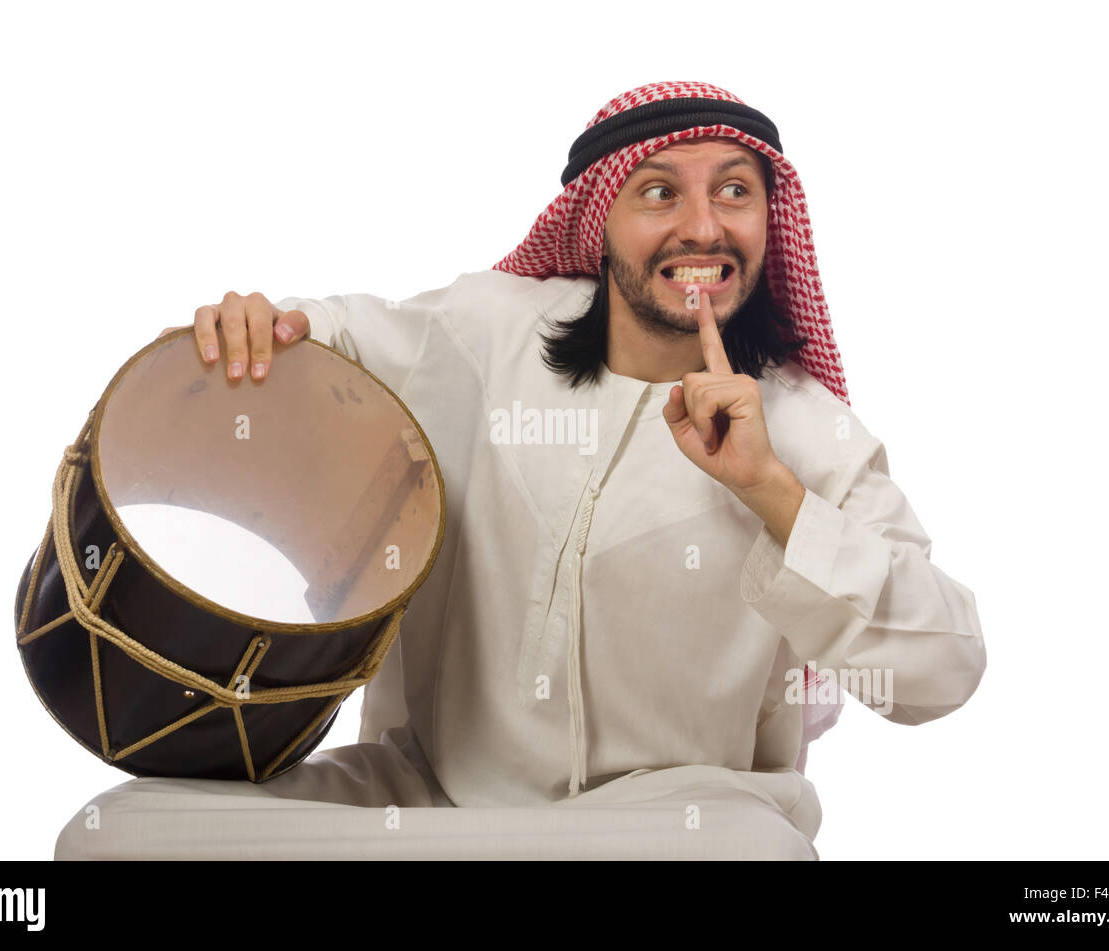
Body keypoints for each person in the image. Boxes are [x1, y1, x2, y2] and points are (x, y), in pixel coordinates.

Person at [60, 80, 985, 860]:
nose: (702, 227)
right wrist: (253, 329)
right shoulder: (482, 335)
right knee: (112, 833)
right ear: (600, 219)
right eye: (660, 193)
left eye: (734, 193)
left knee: (750, 850)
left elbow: (944, 668)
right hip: (420, 804)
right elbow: (323, 339)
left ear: (766, 218)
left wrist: (769, 490)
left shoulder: (811, 435)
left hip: (667, 826)